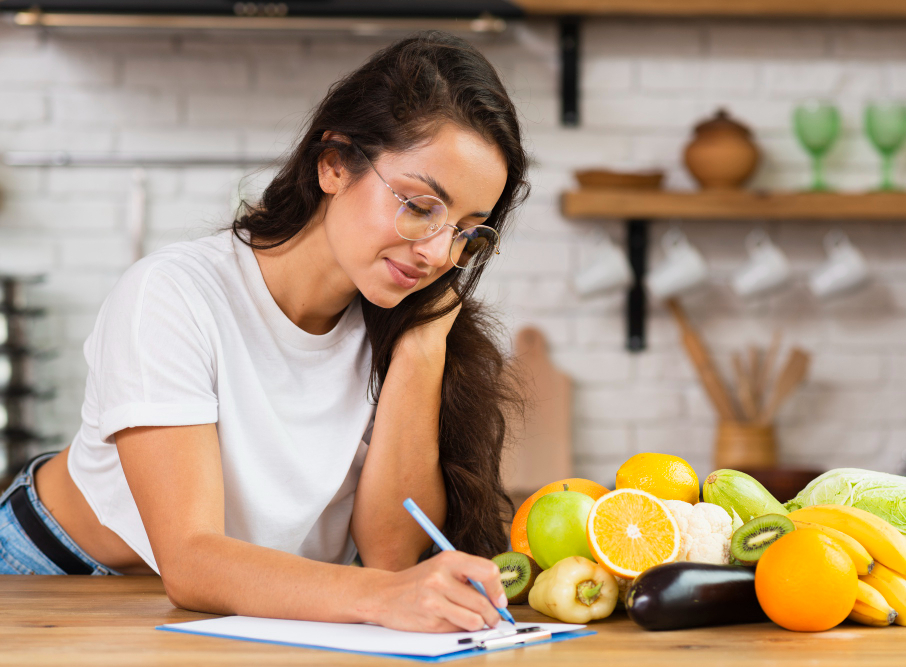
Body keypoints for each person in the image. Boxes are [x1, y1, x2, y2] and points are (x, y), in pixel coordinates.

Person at [0, 31, 529, 633]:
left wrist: (421, 349)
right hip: (64, 582)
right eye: (418, 205)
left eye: (466, 230)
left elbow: (390, 559)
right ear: (333, 163)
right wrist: (380, 597)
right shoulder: (174, 295)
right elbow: (193, 561)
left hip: (266, 603)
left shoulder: (406, 320)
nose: (438, 252)